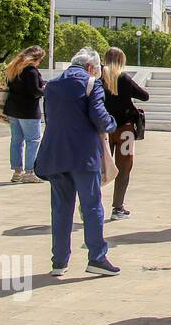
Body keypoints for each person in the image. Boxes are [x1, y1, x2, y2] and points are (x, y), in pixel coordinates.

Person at [33, 48, 120, 277]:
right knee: (91, 206)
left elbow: (49, 118)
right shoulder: (92, 84)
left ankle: (59, 261)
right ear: (91, 67)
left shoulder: (51, 85)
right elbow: (100, 119)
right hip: (83, 155)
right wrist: (112, 124)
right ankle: (97, 257)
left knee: (61, 209)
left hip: (55, 154)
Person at [100, 47, 150, 221]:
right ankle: (118, 208)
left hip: (103, 129)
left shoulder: (99, 79)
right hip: (125, 129)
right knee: (124, 169)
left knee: (100, 168)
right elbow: (145, 96)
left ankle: (89, 204)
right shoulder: (125, 78)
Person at [2, 46, 46, 184]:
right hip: (28, 111)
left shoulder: (14, 68)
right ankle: (29, 172)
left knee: (16, 141)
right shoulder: (31, 71)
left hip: (13, 110)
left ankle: (17, 172)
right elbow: (35, 92)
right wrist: (44, 89)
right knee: (32, 141)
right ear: (35, 58)